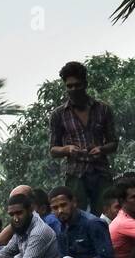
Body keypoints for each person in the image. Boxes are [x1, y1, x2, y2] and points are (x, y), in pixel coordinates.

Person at [49, 60, 118, 216]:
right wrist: (67, 149)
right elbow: (53, 149)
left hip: (101, 171)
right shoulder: (59, 114)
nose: (73, 89)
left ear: (85, 84)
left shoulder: (103, 109)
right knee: (75, 215)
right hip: (75, 173)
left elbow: (114, 143)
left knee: (106, 215)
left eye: (77, 85)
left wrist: (101, 149)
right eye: (69, 86)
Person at [24, 185, 118, 258]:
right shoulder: (61, 228)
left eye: (63, 205)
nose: (60, 210)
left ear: (73, 202)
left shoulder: (93, 223)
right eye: (55, 208)